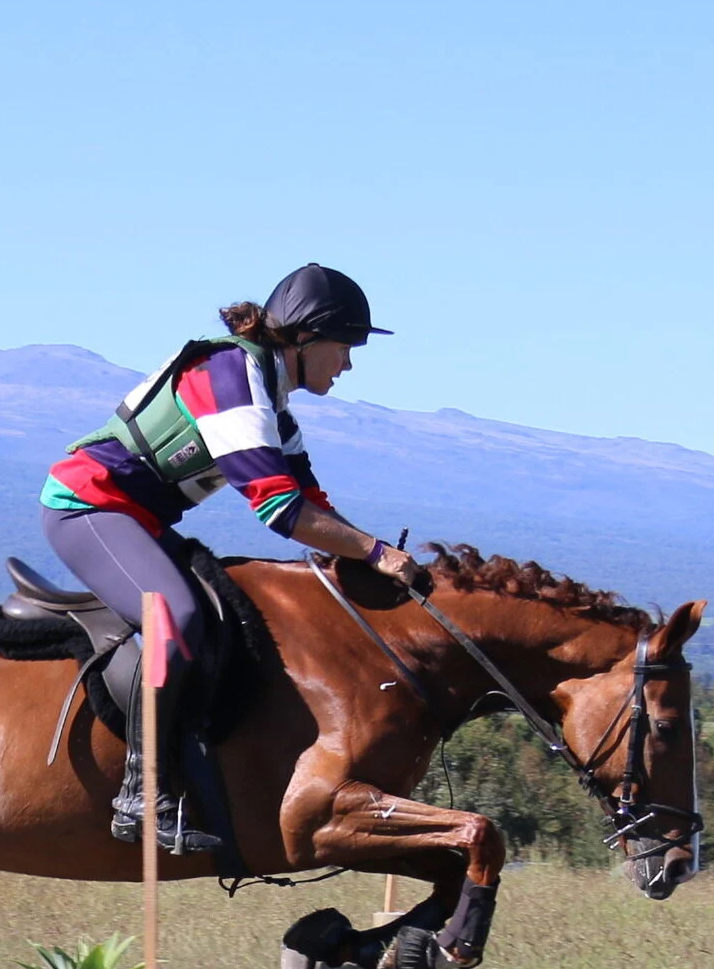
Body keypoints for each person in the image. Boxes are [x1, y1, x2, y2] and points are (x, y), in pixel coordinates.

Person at [38, 264, 426, 854]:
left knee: (228, 614)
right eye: (345, 347)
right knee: (176, 617)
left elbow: (312, 500)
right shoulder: (230, 376)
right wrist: (374, 552)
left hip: (136, 520)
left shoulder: (271, 400)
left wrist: (375, 556)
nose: (347, 364)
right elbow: (280, 510)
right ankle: (140, 796)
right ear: (304, 337)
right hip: (86, 508)